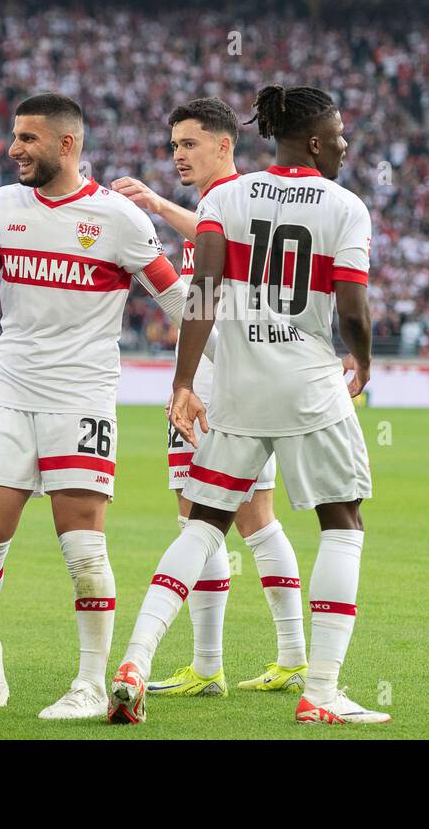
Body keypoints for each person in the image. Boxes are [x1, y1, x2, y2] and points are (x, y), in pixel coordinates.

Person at [108, 84, 389, 726]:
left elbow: (202, 293)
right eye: (340, 134)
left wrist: (184, 384)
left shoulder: (227, 198)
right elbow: (352, 305)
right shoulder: (346, 206)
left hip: (235, 386)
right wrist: (363, 360)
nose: (345, 144)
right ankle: (320, 690)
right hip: (310, 383)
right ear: (314, 140)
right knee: (342, 524)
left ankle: (136, 660)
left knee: (204, 523)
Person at [0, 93, 194, 719]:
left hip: (83, 396)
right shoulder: (3, 205)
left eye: (28, 138)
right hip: (12, 390)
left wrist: (220, 343)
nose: (14, 149)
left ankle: (89, 683)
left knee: (84, 547)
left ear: (67, 144)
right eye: (14, 136)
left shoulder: (117, 218)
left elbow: (178, 302)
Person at [111, 97, 307, 698]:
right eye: (173, 146)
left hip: (229, 378)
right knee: (244, 517)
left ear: (226, 146)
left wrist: (155, 205)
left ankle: (220, 662)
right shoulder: (215, 205)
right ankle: (243, 662)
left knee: (210, 516)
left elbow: (220, 252)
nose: (178, 156)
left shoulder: (242, 197)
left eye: (189, 144)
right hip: (223, 373)